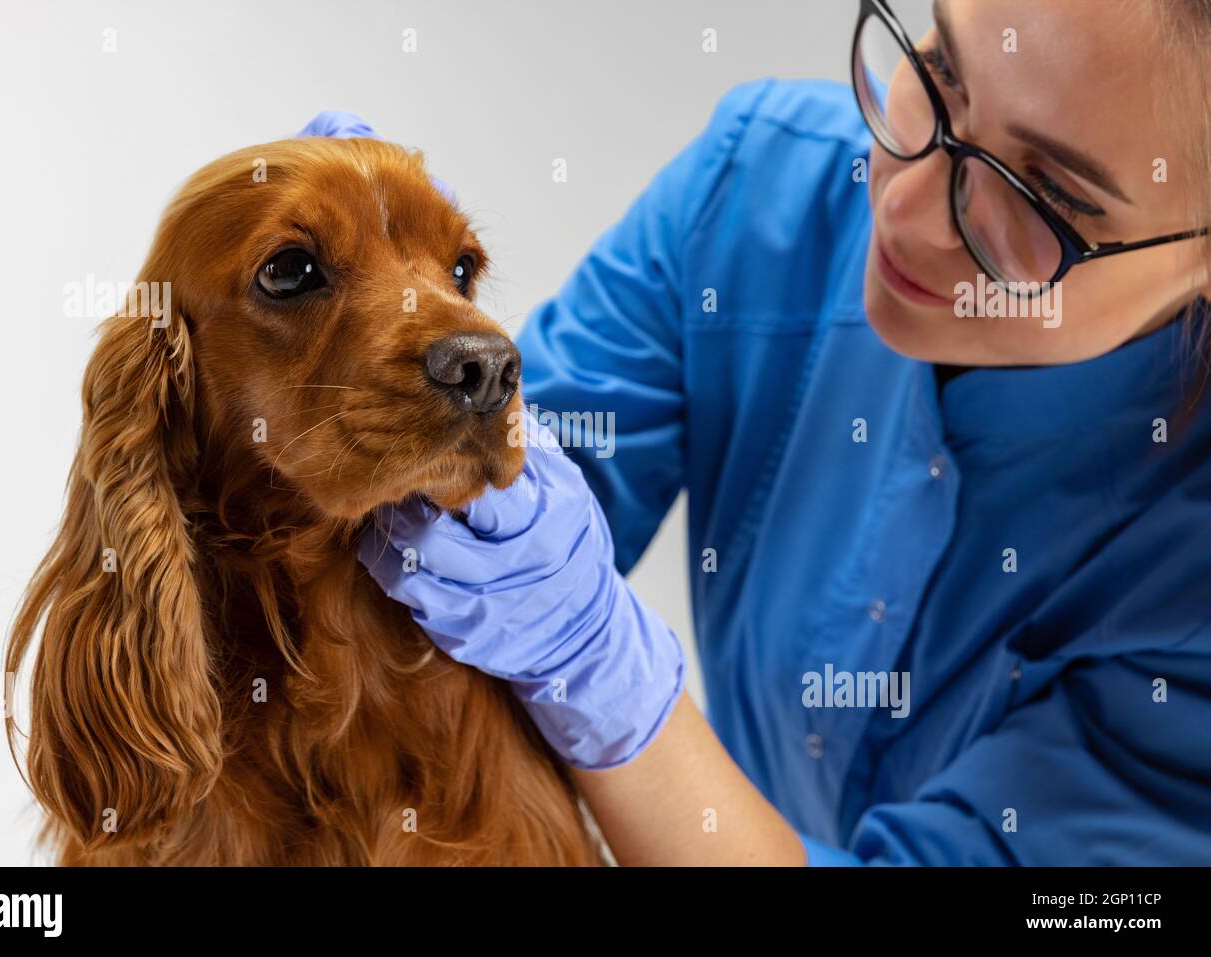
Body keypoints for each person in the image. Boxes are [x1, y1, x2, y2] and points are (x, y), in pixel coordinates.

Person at [325, 0, 1211, 864]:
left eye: (1044, 197)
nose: (901, 210)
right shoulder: (753, 186)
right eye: (942, 73)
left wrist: (600, 668)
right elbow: (440, 560)